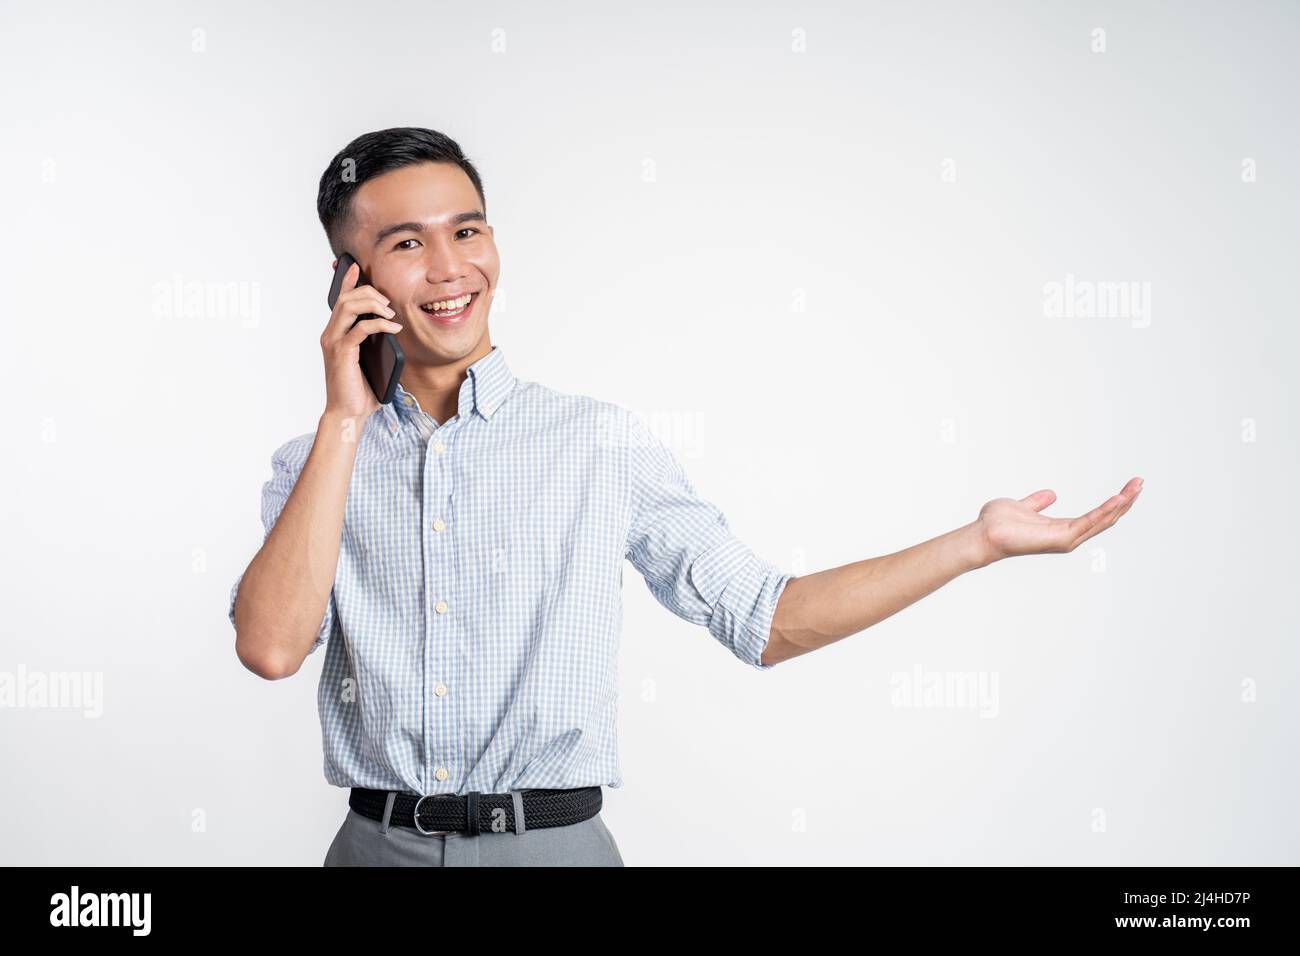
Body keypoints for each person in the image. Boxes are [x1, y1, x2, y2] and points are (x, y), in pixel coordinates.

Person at [228, 127, 1143, 867]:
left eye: (467, 231)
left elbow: (767, 619)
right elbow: (270, 648)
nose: (449, 267)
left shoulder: (597, 443)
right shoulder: (311, 465)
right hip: (373, 848)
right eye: (405, 243)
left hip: (556, 851)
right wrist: (344, 420)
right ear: (352, 282)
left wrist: (974, 543)